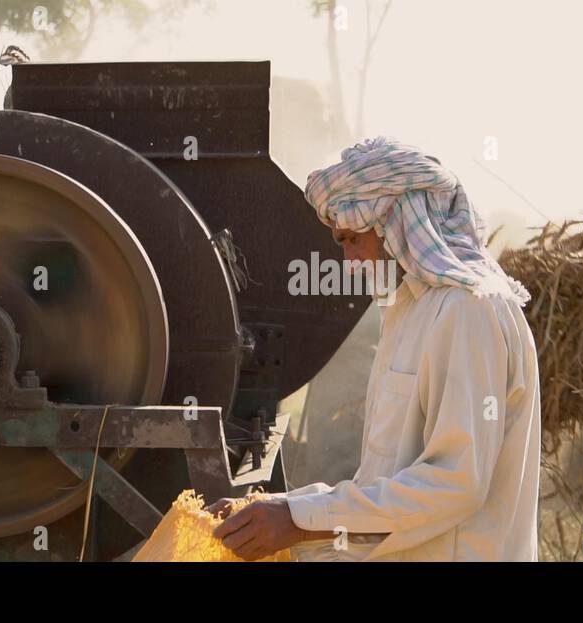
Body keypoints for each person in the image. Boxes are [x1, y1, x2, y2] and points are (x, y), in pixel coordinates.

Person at [206, 137, 542, 561]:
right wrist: (272, 510)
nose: (349, 262)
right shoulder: (409, 310)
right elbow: (382, 485)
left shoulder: (468, 310)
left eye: (352, 239)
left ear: (395, 225)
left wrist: (296, 520)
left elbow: (455, 483)